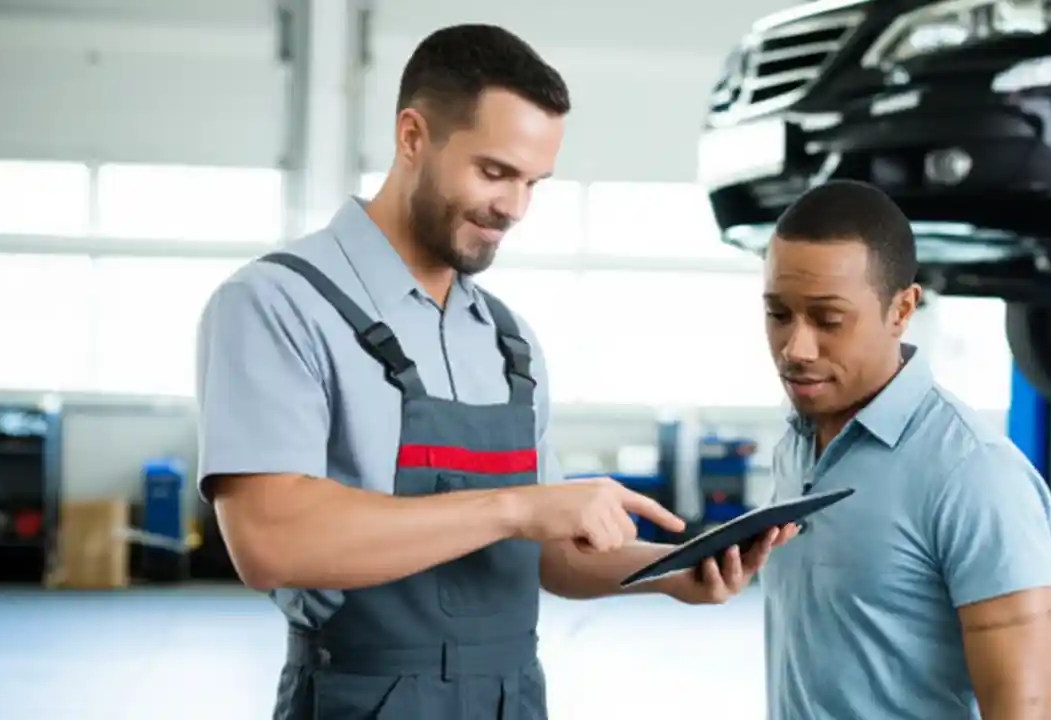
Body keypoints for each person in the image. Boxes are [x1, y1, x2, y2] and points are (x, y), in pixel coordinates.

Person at [194, 23, 794, 720]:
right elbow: (271, 542)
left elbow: (541, 555)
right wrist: (519, 504)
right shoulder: (277, 303)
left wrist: (666, 570)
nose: (514, 208)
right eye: (494, 171)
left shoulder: (509, 341)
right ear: (413, 137)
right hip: (363, 700)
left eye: (533, 182)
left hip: (513, 699)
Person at [758, 180, 1051, 719]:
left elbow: (1022, 707)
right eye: (778, 315)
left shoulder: (974, 473)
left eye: (829, 320)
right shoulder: (796, 443)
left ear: (902, 310)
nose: (795, 350)